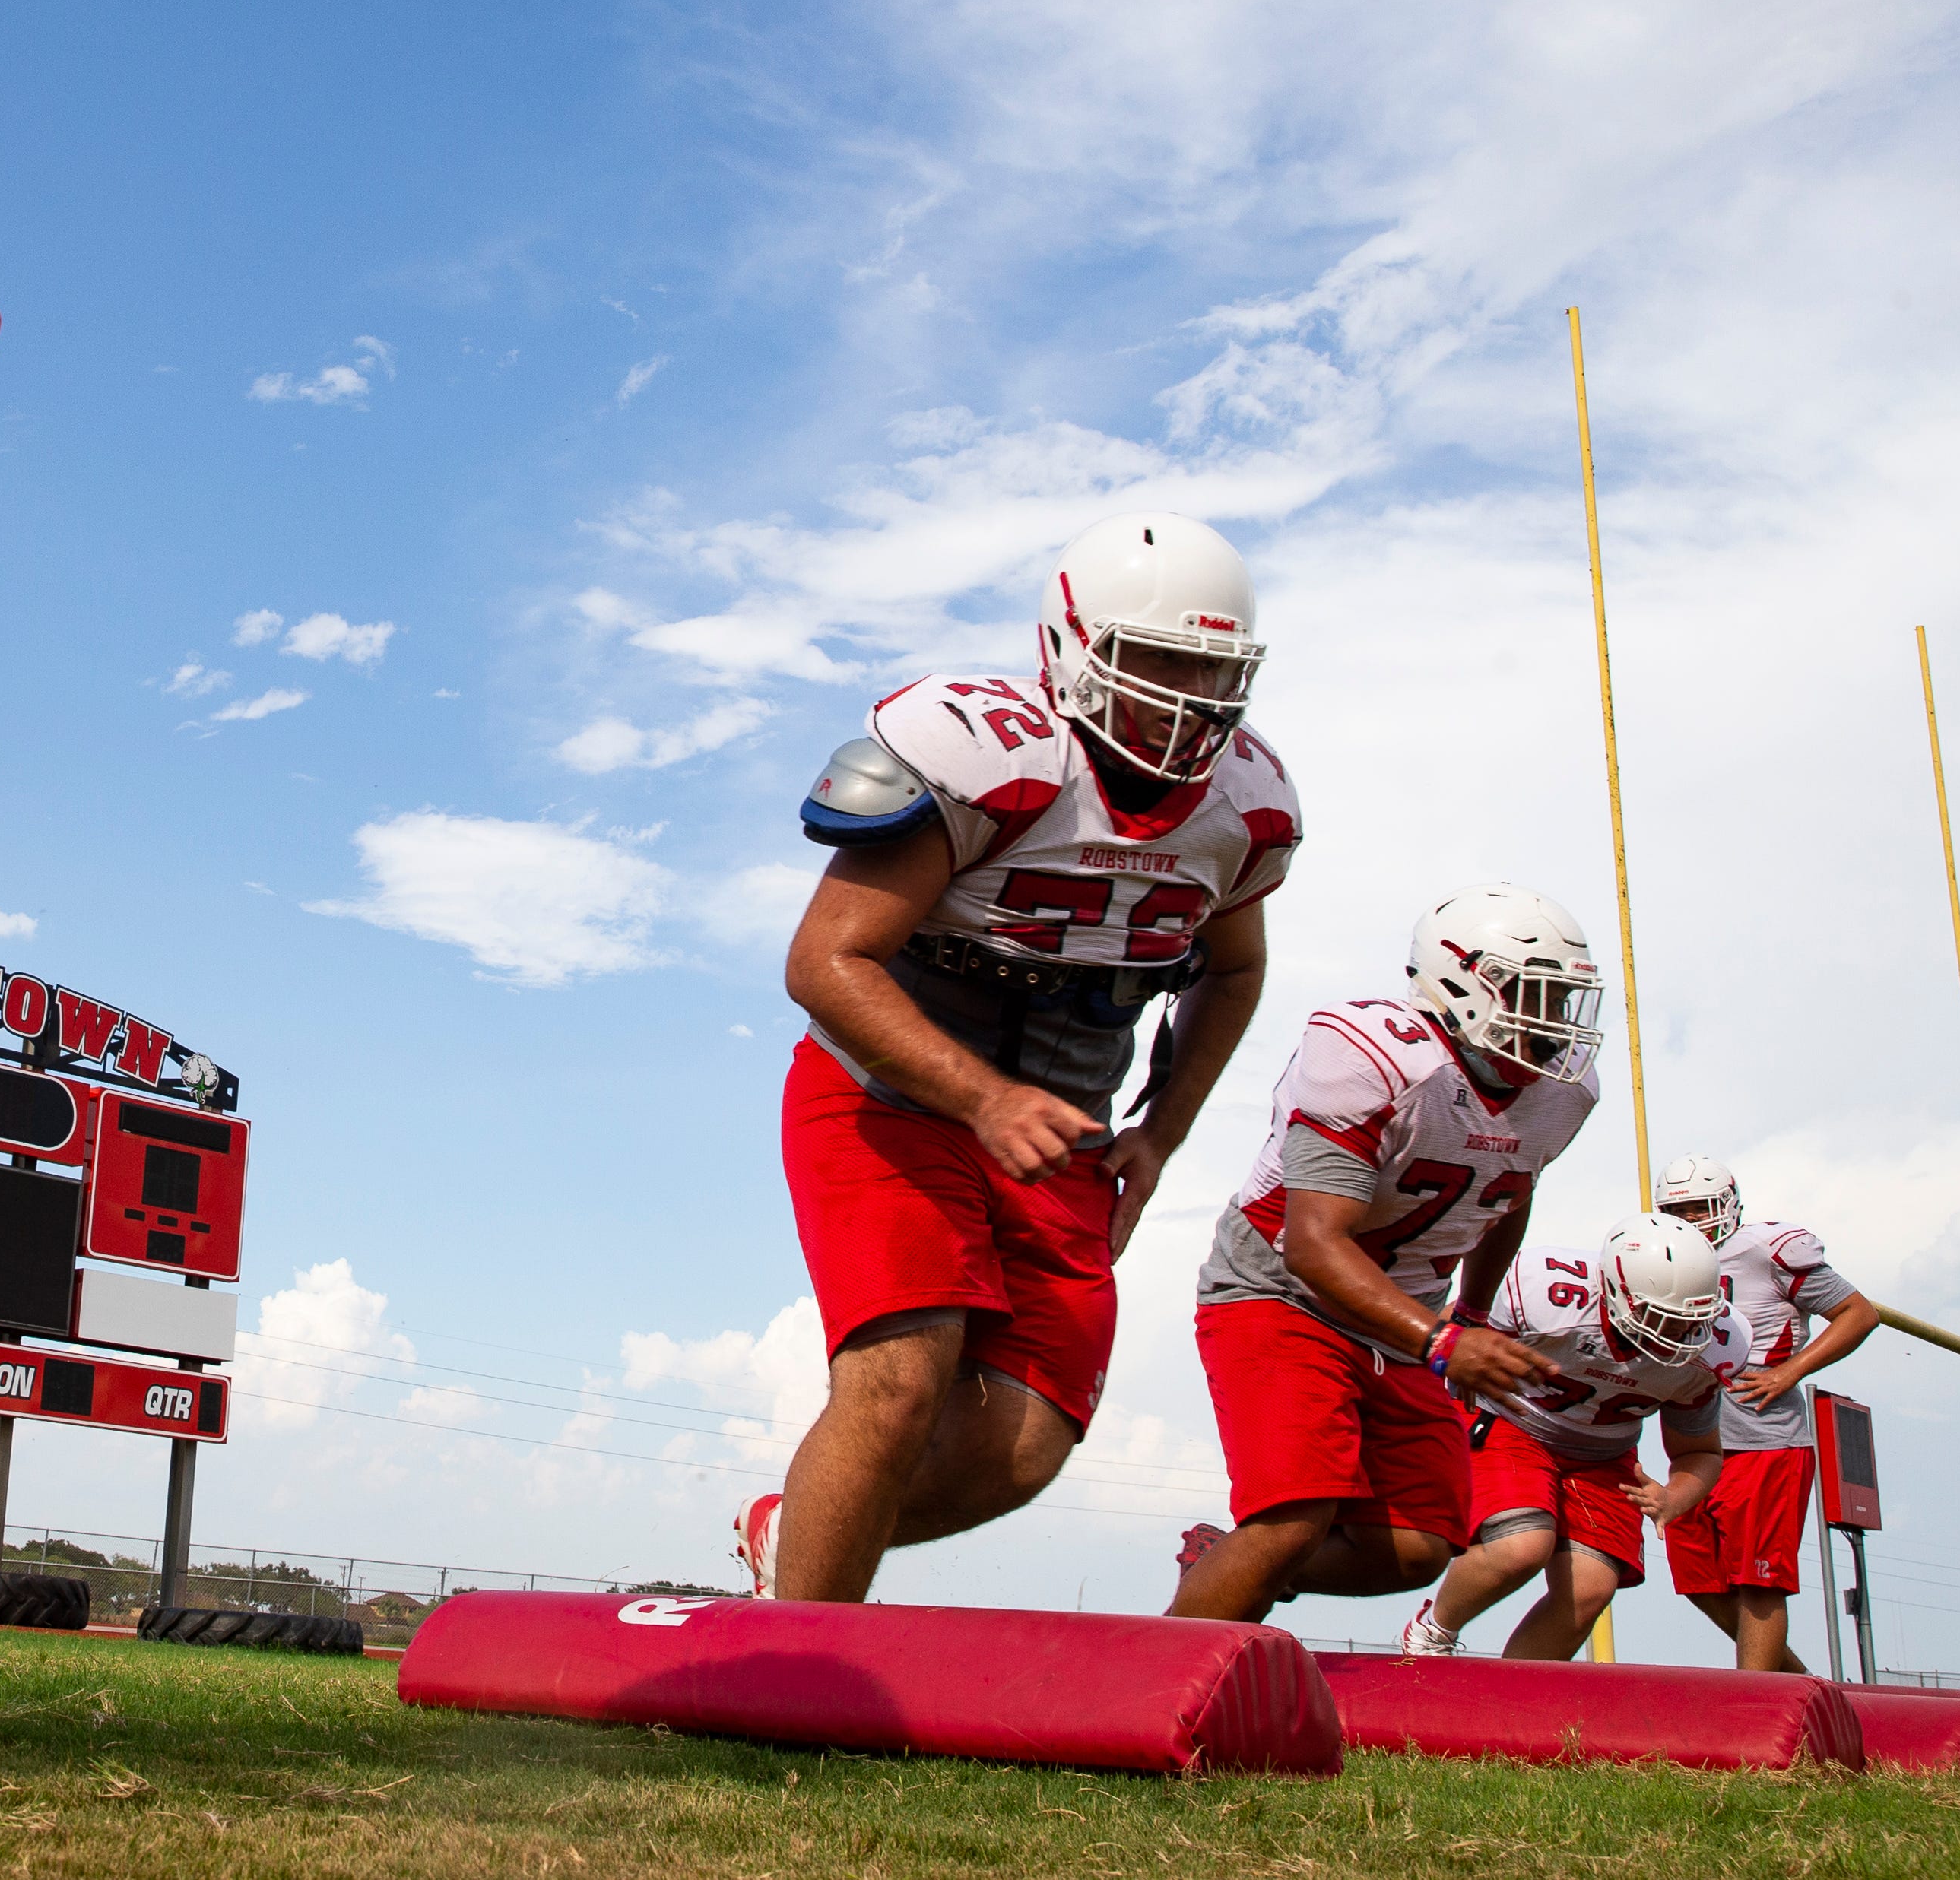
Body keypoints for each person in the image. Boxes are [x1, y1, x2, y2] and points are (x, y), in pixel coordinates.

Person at [731, 511, 1298, 1602]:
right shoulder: (990, 756)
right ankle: (794, 1662)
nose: (1187, 697)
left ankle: (794, 1534)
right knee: (899, 1380)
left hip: (1063, 1133)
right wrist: (984, 1097)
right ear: (1074, 651)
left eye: (1211, 669)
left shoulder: (1247, 807)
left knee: (1026, 1442)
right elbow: (825, 960)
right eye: (1158, 661)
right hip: (888, 1098)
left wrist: (1163, 1135)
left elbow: (1234, 969)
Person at [1168, 885, 1604, 1624]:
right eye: (1532, 994)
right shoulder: (1374, 1058)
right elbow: (1310, 1243)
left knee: (1416, 1545)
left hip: (1402, 1314)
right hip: (1281, 1291)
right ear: (1461, 982)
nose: (1551, 1022)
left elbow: (1509, 1188)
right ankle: (1155, 1692)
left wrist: (1471, 1311)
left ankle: (1231, 1570)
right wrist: (1441, 1341)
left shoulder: (1561, 1094)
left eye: (1560, 1000)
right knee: (1294, 1515)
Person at [1404, 1213, 1736, 1660]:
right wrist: (1454, 1355)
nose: (1678, 1335)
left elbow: (1699, 1450)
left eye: (1689, 1320)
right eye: (1661, 1317)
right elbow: (1454, 1329)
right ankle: (1434, 1631)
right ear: (1617, 1292)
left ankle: (1510, 1705)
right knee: (1520, 1547)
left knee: (1590, 1591)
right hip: (1512, 1421)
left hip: (1604, 1454)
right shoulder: (1546, 1296)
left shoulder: (1711, 1352)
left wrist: (1676, 1496)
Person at [1652, 1154, 1880, 1671]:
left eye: (1698, 1207)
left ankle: (1753, 1712)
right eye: (1677, 1209)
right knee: (1699, 1580)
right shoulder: (1658, 1256)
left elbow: (1860, 1313)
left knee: (1759, 1581)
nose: (1690, 1220)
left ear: (1727, 1204)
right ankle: (1798, 1688)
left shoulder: (1764, 1251)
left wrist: (1789, 1371)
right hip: (1694, 1444)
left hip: (1765, 1441)